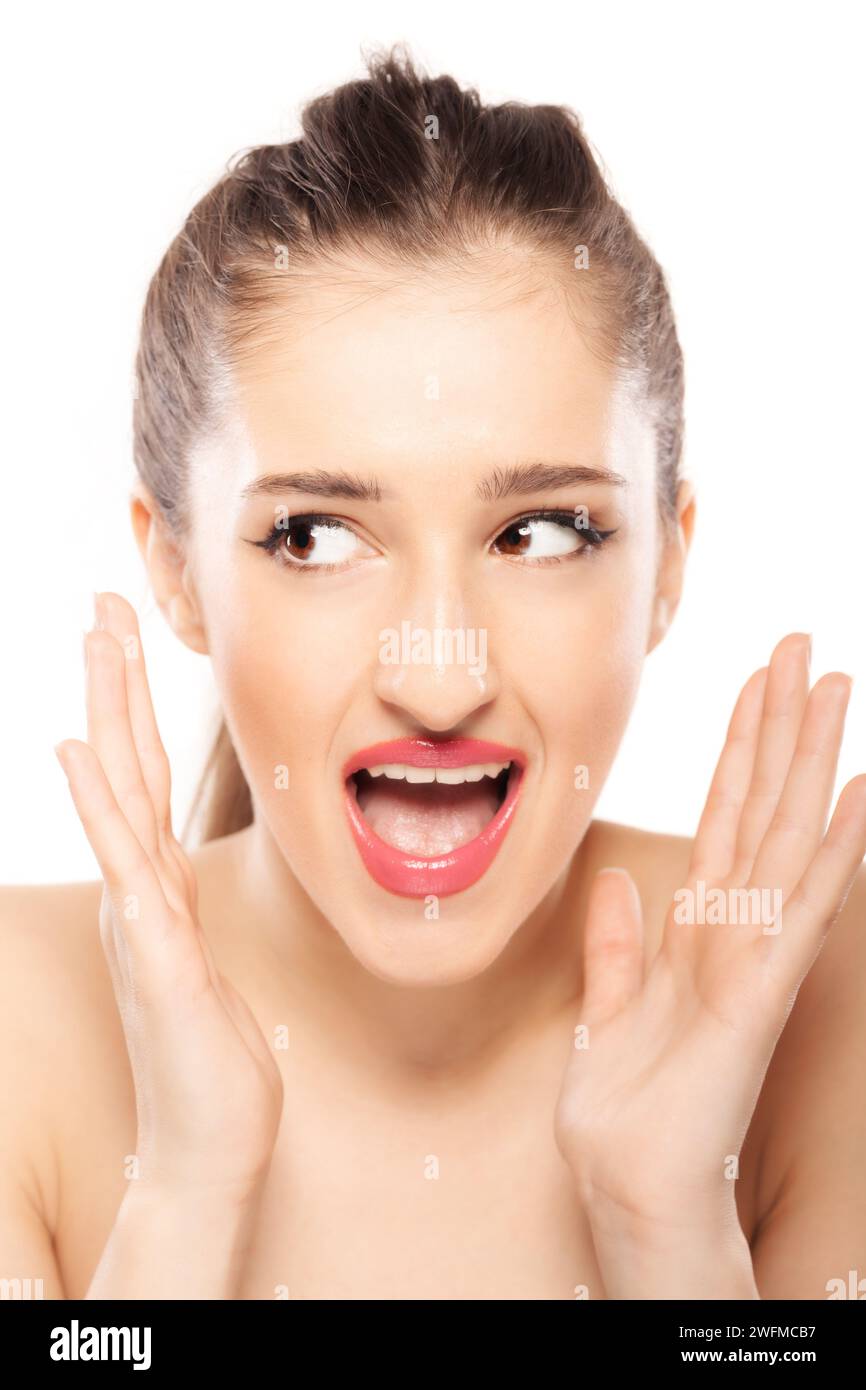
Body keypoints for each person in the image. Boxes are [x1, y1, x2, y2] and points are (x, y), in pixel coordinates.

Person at [2, 44, 864, 1301]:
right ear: (177, 570)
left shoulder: (821, 985)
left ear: (668, 565)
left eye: (541, 531)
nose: (440, 674)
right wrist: (181, 1196)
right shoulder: (13, 1019)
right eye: (316, 536)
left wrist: (668, 1228)